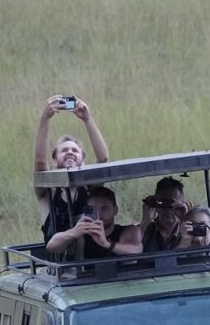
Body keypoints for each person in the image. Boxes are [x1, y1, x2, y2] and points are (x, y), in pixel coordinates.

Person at [33, 94, 110, 248]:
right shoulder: (49, 191)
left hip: (90, 259)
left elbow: (103, 159)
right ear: (54, 161)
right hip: (58, 260)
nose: (70, 152)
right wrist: (45, 118)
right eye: (64, 150)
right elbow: (40, 164)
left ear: (83, 161)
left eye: (75, 151)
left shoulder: (90, 188)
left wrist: (87, 119)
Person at [45, 186, 142, 259]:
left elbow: (136, 250)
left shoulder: (128, 231)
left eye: (104, 209)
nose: (98, 215)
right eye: (93, 209)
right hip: (86, 279)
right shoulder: (80, 235)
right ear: (86, 211)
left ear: (115, 210)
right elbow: (51, 246)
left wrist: (106, 244)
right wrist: (74, 232)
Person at [141, 176, 188, 251]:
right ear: (155, 205)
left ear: (182, 205)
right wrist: (145, 221)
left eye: (172, 204)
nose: (167, 209)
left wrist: (186, 218)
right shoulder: (146, 230)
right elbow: (132, 254)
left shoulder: (188, 230)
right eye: (161, 203)